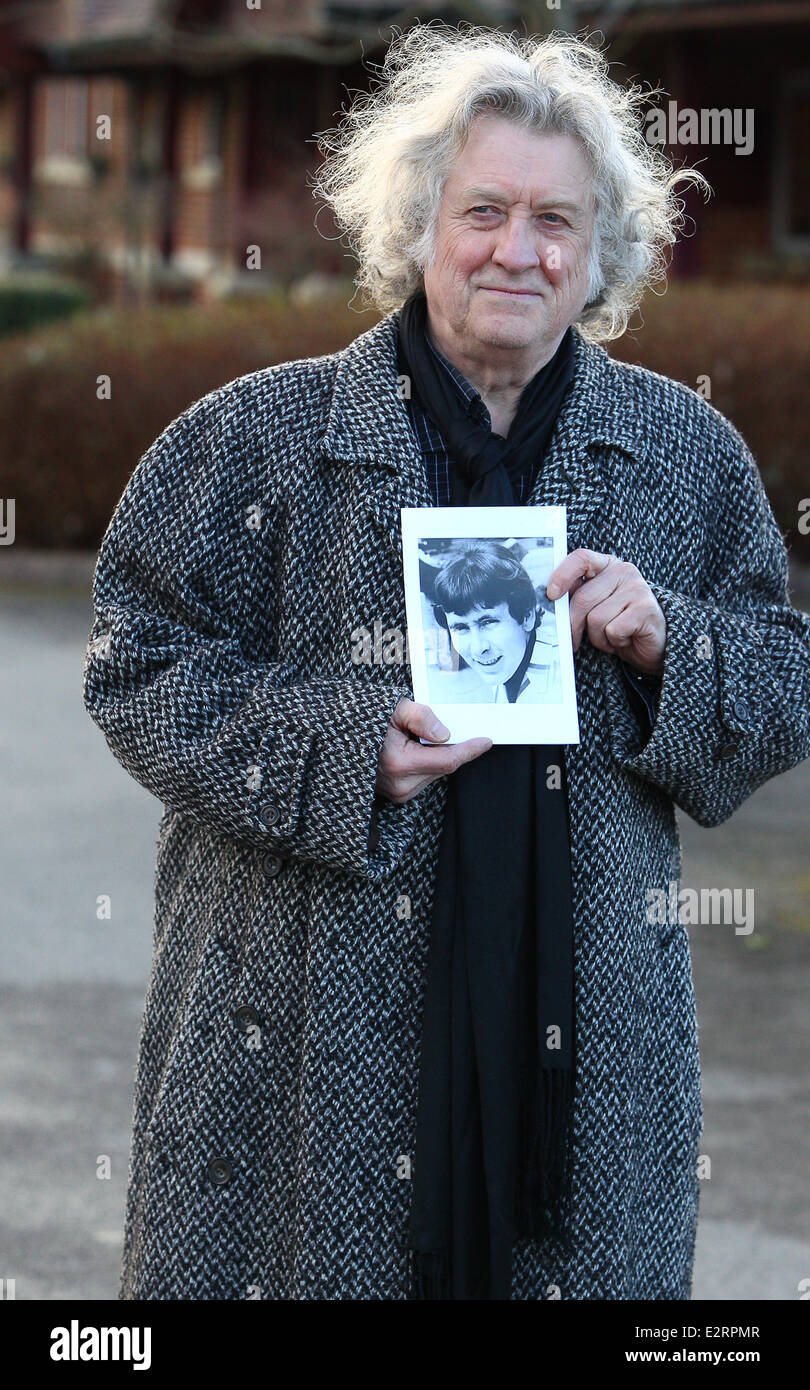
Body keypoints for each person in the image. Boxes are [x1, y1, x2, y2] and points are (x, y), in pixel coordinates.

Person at [83, 24, 810, 1300]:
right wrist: (329, 743)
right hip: (294, 1050)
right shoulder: (256, 438)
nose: (518, 252)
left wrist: (667, 642)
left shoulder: (685, 454)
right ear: (420, 224)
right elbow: (134, 661)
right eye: (485, 211)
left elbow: (781, 685)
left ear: (599, 256)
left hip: (584, 1076)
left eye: (556, 222)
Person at [430, 541, 554, 703]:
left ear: (527, 616)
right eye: (461, 627)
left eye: (488, 622)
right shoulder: (508, 664)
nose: (479, 648)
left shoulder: (561, 677)